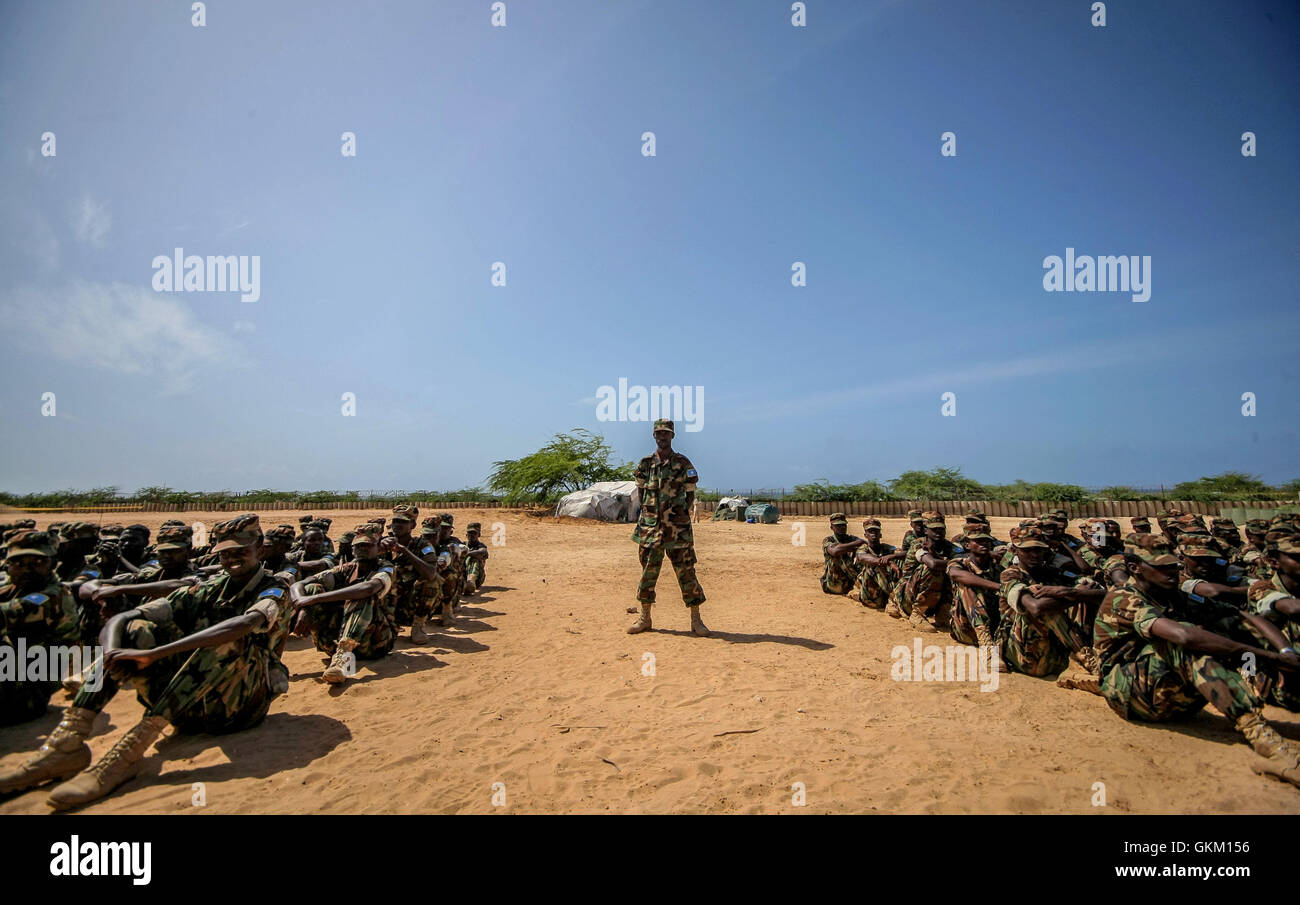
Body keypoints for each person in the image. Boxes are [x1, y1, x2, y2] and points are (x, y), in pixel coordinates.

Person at [0, 514, 294, 809]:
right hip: (190, 705)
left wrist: (154, 655)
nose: (232, 558)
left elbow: (242, 625)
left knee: (228, 639)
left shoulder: (275, 588)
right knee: (135, 629)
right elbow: (129, 616)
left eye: (240, 550)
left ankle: (129, 753)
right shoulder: (209, 588)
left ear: (259, 546)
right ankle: (68, 741)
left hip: (240, 706)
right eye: (225, 552)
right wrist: (114, 651)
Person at [1093, 534, 1300, 786]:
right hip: (1131, 694)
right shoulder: (1124, 597)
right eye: (1160, 567)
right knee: (1188, 637)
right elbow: (1183, 636)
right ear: (1135, 568)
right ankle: (1265, 741)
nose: (1171, 571)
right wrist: (1262, 655)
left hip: (1171, 690)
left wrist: (1285, 653)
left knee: (1228, 626)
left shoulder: (1177, 596)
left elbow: (1242, 616)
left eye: (1172, 565)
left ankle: (1284, 690)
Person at [628, 419, 708, 636]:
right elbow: (642, 493)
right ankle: (645, 618)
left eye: (666, 433)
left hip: (677, 529)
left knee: (687, 572)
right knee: (648, 573)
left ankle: (696, 620)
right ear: (654, 436)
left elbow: (690, 493)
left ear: (672, 436)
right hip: (650, 529)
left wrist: (681, 513)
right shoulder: (645, 464)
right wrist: (649, 513)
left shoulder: (683, 463)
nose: (662, 437)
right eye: (659, 433)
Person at [996, 526, 1105, 686]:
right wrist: (1074, 595)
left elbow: (1102, 593)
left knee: (1088, 594)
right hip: (1026, 655)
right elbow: (1035, 607)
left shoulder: (1053, 572)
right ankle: (1088, 661)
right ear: (1015, 551)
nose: (1034, 555)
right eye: (1028, 550)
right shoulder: (1011, 574)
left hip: (1057, 651)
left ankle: (1079, 666)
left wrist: (1072, 593)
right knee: (1049, 606)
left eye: (1039, 550)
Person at [289, 525, 397, 684]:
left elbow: (369, 588)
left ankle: (343, 661)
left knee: (362, 595)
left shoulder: (385, 568)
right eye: (358, 546)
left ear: (378, 548)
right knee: (312, 588)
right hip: (332, 640)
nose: (362, 549)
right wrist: (303, 605)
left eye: (368, 545)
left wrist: (315, 599)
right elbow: (298, 585)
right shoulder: (346, 569)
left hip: (376, 641)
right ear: (352, 550)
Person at [0, 531, 79, 725]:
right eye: (19, 563)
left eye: (37, 563)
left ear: (52, 564)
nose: (27, 570)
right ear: (8, 565)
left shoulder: (52, 596)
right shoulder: (13, 587)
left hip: (28, 691)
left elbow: (9, 612)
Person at [382, 505, 440, 643]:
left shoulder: (422, 545)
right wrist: (379, 549)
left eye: (402, 522)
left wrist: (406, 552)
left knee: (432, 581)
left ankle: (418, 626)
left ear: (413, 525)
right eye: (395, 521)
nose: (397, 525)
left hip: (410, 601)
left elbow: (431, 573)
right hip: (386, 599)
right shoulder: (383, 544)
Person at [946, 528, 1004, 661]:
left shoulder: (996, 567)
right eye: (978, 541)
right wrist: (998, 587)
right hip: (966, 628)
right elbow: (956, 574)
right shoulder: (959, 563)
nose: (984, 544)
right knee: (967, 585)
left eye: (986, 541)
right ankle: (987, 647)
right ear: (967, 545)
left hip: (995, 627)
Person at [852, 518, 902, 609]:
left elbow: (904, 553)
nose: (873, 534)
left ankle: (899, 594)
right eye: (870, 531)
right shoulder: (863, 549)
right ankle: (897, 598)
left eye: (876, 531)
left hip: (883, 592)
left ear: (880, 534)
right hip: (870, 595)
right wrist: (889, 563)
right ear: (865, 535)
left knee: (902, 560)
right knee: (873, 566)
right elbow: (862, 557)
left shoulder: (886, 548)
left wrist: (892, 557)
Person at [820, 513, 866, 595]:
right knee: (840, 555)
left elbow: (865, 545)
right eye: (838, 526)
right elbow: (834, 552)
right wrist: (855, 545)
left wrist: (856, 546)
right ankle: (860, 585)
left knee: (864, 554)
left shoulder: (851, 538)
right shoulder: (828, 540)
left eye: (843, 525)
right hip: (834, 583)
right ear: (831, 527)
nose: (842, 528)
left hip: (849, 582)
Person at [464, 522, 490, 595]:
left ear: (479, 535)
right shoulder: (463, 545)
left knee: (474, 558)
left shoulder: (481, 546)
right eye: (470, 533)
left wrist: (467, 553)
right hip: (463, 574)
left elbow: (482, 552)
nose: (471, 535)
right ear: (466, 535)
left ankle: (471, 580)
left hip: (477, 578)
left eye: (474, 533)